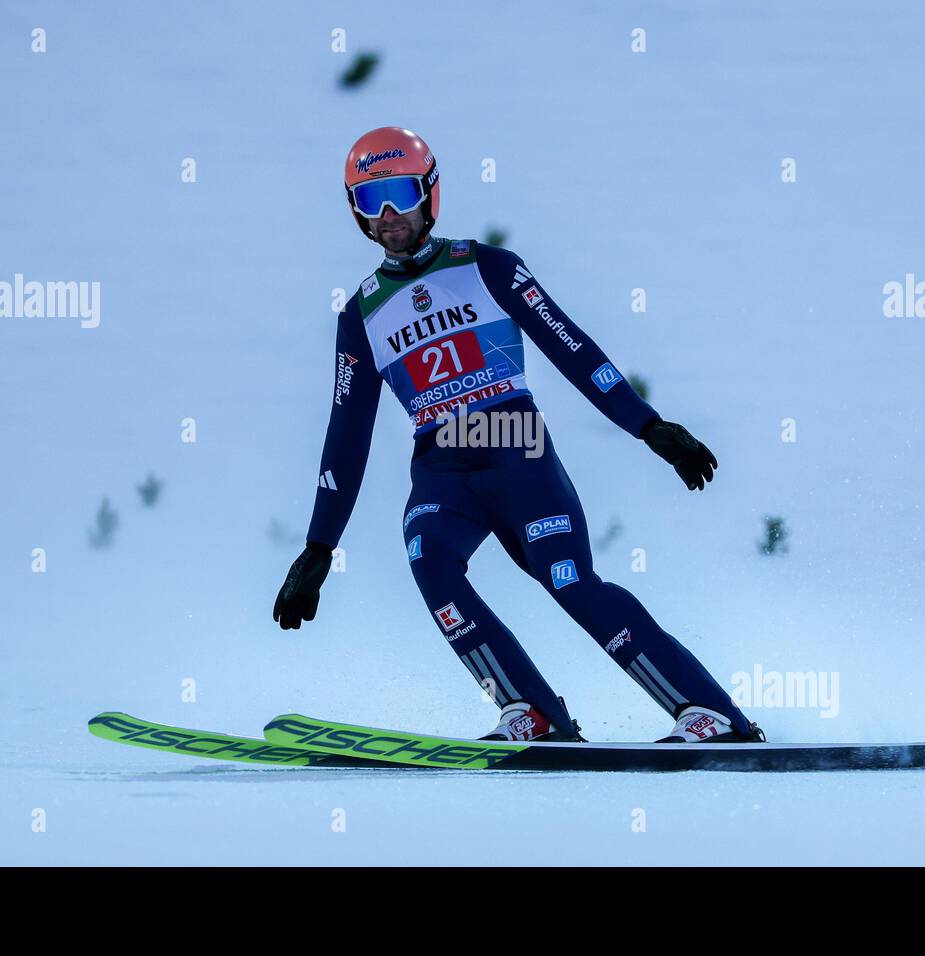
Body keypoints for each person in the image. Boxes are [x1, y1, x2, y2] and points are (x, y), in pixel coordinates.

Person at [274, 127, 763, 744]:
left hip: (517, 453)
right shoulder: (362, 314)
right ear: (356, 213)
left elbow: (571, 346)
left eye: (399, 193)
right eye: (372, 201)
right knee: (429, 557)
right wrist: (319, 548)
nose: (390, 214)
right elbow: (345, 435)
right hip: (442, 471)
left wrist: (648, 425)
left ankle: (710, 713)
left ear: (431, 196)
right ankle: (530, 712)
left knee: (570, 581)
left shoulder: (487, 268)